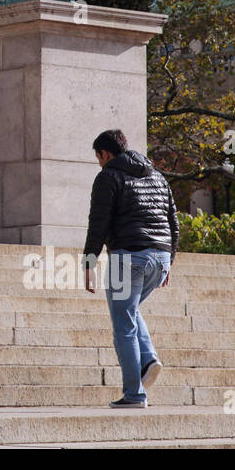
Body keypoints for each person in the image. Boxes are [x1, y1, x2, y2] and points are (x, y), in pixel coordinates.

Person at [82, 128, 178, 409]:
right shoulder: (157, 176)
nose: (99, 163)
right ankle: (147, 359)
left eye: (98, 157)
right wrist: (168, 260)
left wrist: (88, 262)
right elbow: (173, 221)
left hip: (129, 258)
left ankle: (135, 394)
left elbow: (98, 222)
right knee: (130, 309)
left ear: (105, 153)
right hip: (159, 258)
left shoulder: (108, 176)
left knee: (123, 325)